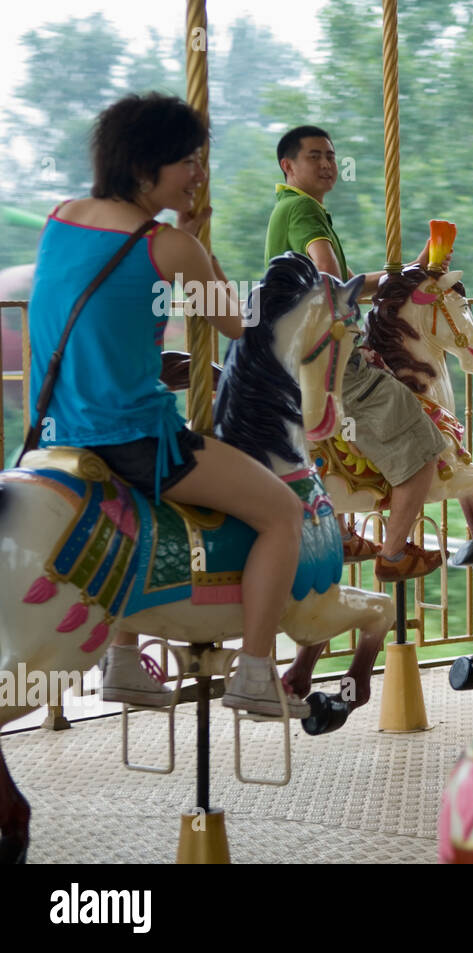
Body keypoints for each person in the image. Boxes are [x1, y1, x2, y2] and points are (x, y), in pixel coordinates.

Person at [28, 93, 308, 717]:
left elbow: (95, 327)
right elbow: (238, 322)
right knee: (283, 513)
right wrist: (199, 244)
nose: (199, 175)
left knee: (136, 513)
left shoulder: (61, 216)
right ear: (143, 163)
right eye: (188, 161)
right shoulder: (167, 246)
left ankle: (124, 661)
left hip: (56, 437)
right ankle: (257, 672)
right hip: (133, 440)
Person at [266, 125, 446, 582]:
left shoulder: (294, 210)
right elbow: (330, 281)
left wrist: (411, 271)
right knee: (424, 441)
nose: (327, 164)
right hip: (328, 357)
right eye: (314, 156)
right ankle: (394, 552)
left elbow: (349, 284)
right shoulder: (303, 209)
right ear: (289, 166)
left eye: (330, 154)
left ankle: (343, 530)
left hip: (296, 351)